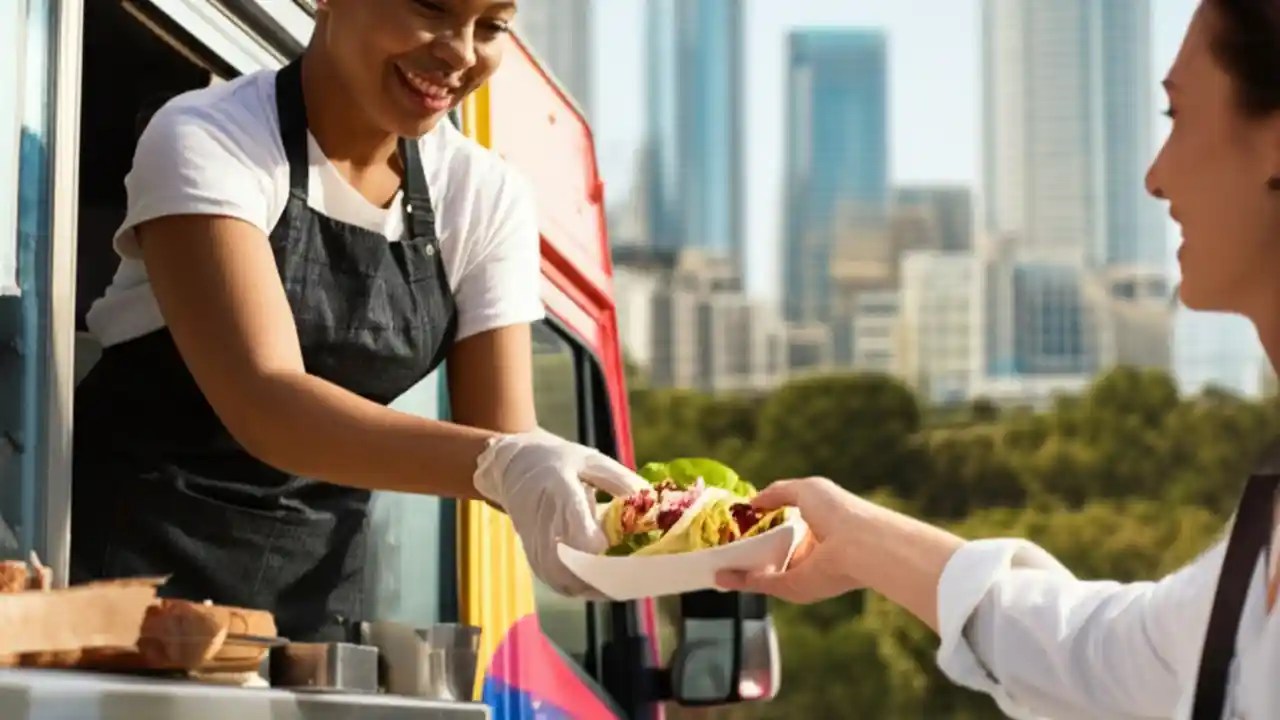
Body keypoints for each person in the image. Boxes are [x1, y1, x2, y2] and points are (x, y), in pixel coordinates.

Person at [718, 2, 1280, 718]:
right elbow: (1096, 653)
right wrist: (858, 540)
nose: (1155, 177)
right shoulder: (1260, 544)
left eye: (1177, 116)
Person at [70, 0, 644, 641]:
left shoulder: (484, 196)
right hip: (116, 593)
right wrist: (508, 464)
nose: (459, 51)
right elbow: (265, 399)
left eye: (492, 25)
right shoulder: (211, 137)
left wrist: (647, 535)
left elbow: (503, 435)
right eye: (432, 7)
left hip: (308, 616)